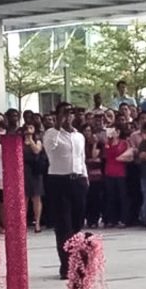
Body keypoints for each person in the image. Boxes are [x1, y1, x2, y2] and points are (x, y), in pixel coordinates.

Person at [43, 102, 89, 279]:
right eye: (65, 113)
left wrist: (85, 178)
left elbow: (81, 158)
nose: (68, 116)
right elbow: (50, 149)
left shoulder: (79, 136)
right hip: (58, 181)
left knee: (77, 224)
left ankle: (77, 262)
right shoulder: (51, 134)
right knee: (64, 226)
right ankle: (66, 266)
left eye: (70, 113)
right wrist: (57, 126)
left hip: (77, 180)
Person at [102, 122, 131, 228]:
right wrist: (108, 141)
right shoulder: (107, 143)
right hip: (109, 171)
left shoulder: (124, 143)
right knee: (110, 197)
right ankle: (111, 219)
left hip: (121, 172)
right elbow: (105, 154)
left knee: (123, 196)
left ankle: (124, 219)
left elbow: (129, 155)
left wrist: (121, 157)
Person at [22, 123, 47, 232]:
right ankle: (24, 223)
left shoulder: (38, 141)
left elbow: (36, 150)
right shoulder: (20, 142)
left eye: (30, 128)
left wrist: (30, 139)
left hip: (35, 171)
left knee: (36, 198)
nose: (28, 130)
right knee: (24, 199)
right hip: (23, 171)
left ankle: (37, 223)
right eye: (26, 129)